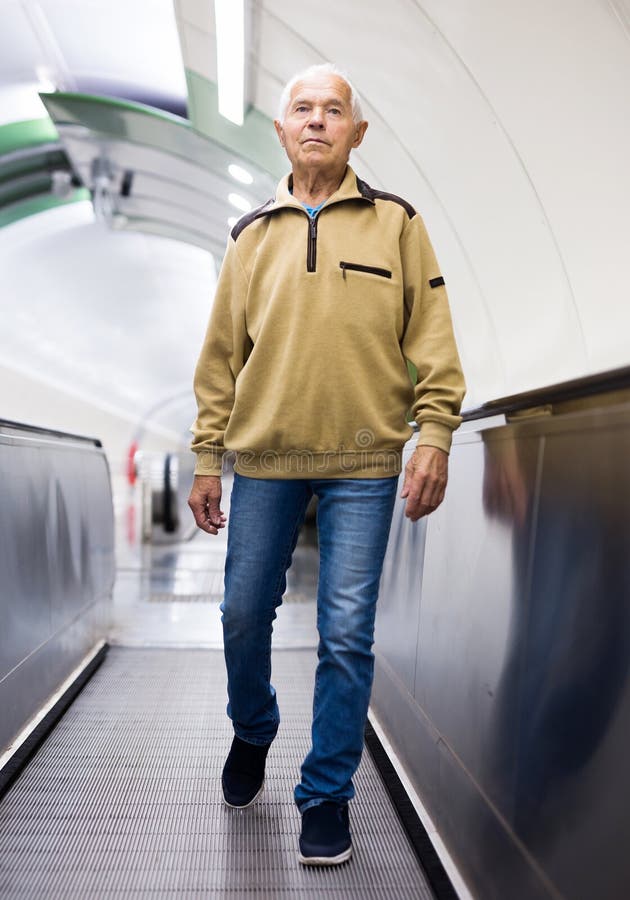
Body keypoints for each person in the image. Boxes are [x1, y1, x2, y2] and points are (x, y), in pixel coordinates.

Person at [188, 62, 466, 866]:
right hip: (265, 461)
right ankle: (253, 728)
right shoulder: (251, 237)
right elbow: (218, 361)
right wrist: (209, 457)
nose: (317, 120)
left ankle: (327, 794)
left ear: (357, 132)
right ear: (280, 131)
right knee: (244, 615)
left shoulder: (399, 225)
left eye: (333, 109)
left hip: (364, 463)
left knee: (347, 632)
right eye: (302, 109)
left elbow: (434, 339)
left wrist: (437, 431)